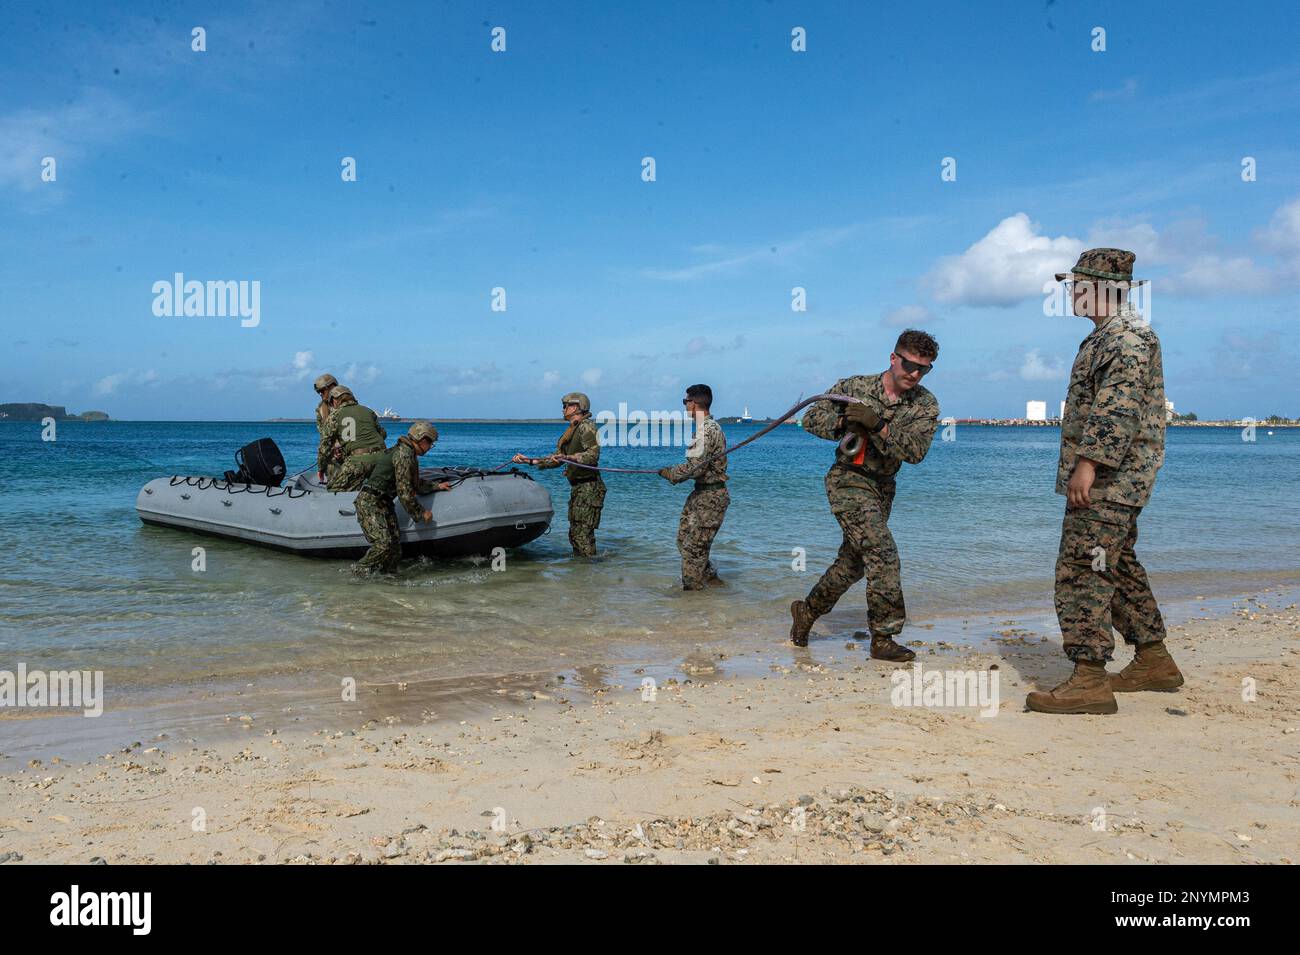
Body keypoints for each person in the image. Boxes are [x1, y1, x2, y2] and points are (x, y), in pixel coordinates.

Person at [1026, 248, 1181, 715]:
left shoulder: (1128, 339)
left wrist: (1089, 463)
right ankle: (1154, 659)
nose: (1069, 292)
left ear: (1098, 288)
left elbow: (1119, 408)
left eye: (1075, 284)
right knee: (1116, 563)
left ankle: (1089, 677)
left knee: (1082, 567)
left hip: (1112, 478)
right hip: (1116, 477)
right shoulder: (1103, 338)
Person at [790, 329, 940, 661]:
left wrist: (879, 426)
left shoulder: (925, 404)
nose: (914, 374)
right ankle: (883, 638)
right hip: (848, 479)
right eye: (909, 365)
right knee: (883, 553)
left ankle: (807, 611)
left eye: (923, 369)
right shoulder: (854, 387)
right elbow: (810, 418)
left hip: (883, 486)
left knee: (853, 563)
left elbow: (916, 452)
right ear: (893, 358)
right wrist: (844, 420)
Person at [350, 421, 450, 575]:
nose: (430, 448)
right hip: (371, 503)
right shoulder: (404, 454)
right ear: (423, 440)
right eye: (431, 444)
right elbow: (404, 492)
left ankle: (386, 583)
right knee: (383, 545)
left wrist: (437, 486)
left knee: (395, 549)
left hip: (384, 503)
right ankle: (356, 575)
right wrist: (421, 513)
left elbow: (412, 483)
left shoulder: (406, 452)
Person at [513, 392, 604, 556]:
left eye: (565, 406)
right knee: (575, 536)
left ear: (575, 407)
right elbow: (556, 460)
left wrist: (569, 457)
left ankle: (589, 571)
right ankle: (583, 575)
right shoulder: (571, 431)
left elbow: (593, 455)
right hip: (579, 489)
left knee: (582, 536)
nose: (563, 410)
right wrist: (529, 461)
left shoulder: (586, 427)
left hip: (589, 487)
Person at [658, 384, 729, 589]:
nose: (684, 406)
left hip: (710, 498)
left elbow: (695, 468)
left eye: (685, 402)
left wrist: (670, 473)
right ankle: (713, 585)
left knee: (692, 551)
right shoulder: (706, 428)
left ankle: (693, 599)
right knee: (684, 542)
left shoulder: (706, 431)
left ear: (694, 403)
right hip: (701, 495)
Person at [318, 385, 387, 490]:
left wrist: (321, 468)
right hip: (383, 458)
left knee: (334, 490)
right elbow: (382, 434)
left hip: (358, 462)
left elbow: (324, 446)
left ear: (335, 401)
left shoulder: (334, 416)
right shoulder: (368, 411)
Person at [312, 373, 339, 479]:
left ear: (332, 387)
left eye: (322, 391)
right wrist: (321, 466)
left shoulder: (349, 404)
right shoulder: (321, 409)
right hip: (333, 456)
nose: (321, 394)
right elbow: (324, 437)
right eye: (318, 392)